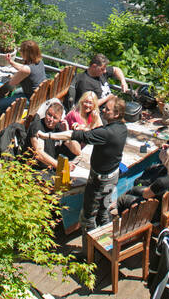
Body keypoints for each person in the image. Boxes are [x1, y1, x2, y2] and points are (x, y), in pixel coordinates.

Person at [39, 96, 128, 231]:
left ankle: (90, 248)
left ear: (116, 114)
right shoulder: (122, 128)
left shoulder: (106, 133)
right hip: (112, 176)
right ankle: (106, 240)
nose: (103, 110)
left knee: (88, 217)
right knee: (104, 211)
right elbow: (97, 133)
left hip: (100, 181)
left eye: (107, 110)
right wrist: (86, 129)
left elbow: (71, 135)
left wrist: (47, 136)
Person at [117, 145, 169, 215]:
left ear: (168, 160)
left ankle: (119, 221)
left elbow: (145, 195)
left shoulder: (162, 182)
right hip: (168, 207)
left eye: (166, 152)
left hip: (154, 212)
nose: (164, 151)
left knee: (122, 199)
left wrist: (134, 189)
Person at [0, 39, 47, 123]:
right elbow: (24, 69)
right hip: (39, 95)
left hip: (31, 98)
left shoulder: (26, 69)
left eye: (21, 51)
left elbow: (12, 83)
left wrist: (0, 76)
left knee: (0, 104)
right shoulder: (39, 61)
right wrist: (11, 62)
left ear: (26, 54)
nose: (20, 53)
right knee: (15, 93)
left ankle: (8, 120)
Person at [25, 98, 82, 171]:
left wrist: (67, 133)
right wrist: (61, 166)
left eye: (55, 118)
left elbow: (77, 151)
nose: (50, 119)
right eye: (49, 115)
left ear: (60, 119)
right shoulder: (37, 126)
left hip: (49, 169)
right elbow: (39, 154)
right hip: (34, 169)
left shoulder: (59, 128)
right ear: (46, 112)